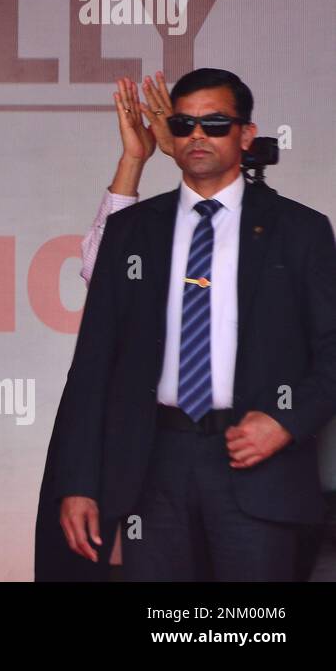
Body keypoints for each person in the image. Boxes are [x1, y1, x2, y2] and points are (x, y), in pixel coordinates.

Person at [38, 68, 336, 581]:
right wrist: (79, 481)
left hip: (256, 462)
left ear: (245, 134)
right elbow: (92, 366)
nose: (197, 136)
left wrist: (287, 421)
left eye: (215, 124)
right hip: (153, 463)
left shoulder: (300, 229)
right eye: (183, 124)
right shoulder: (133, 229)